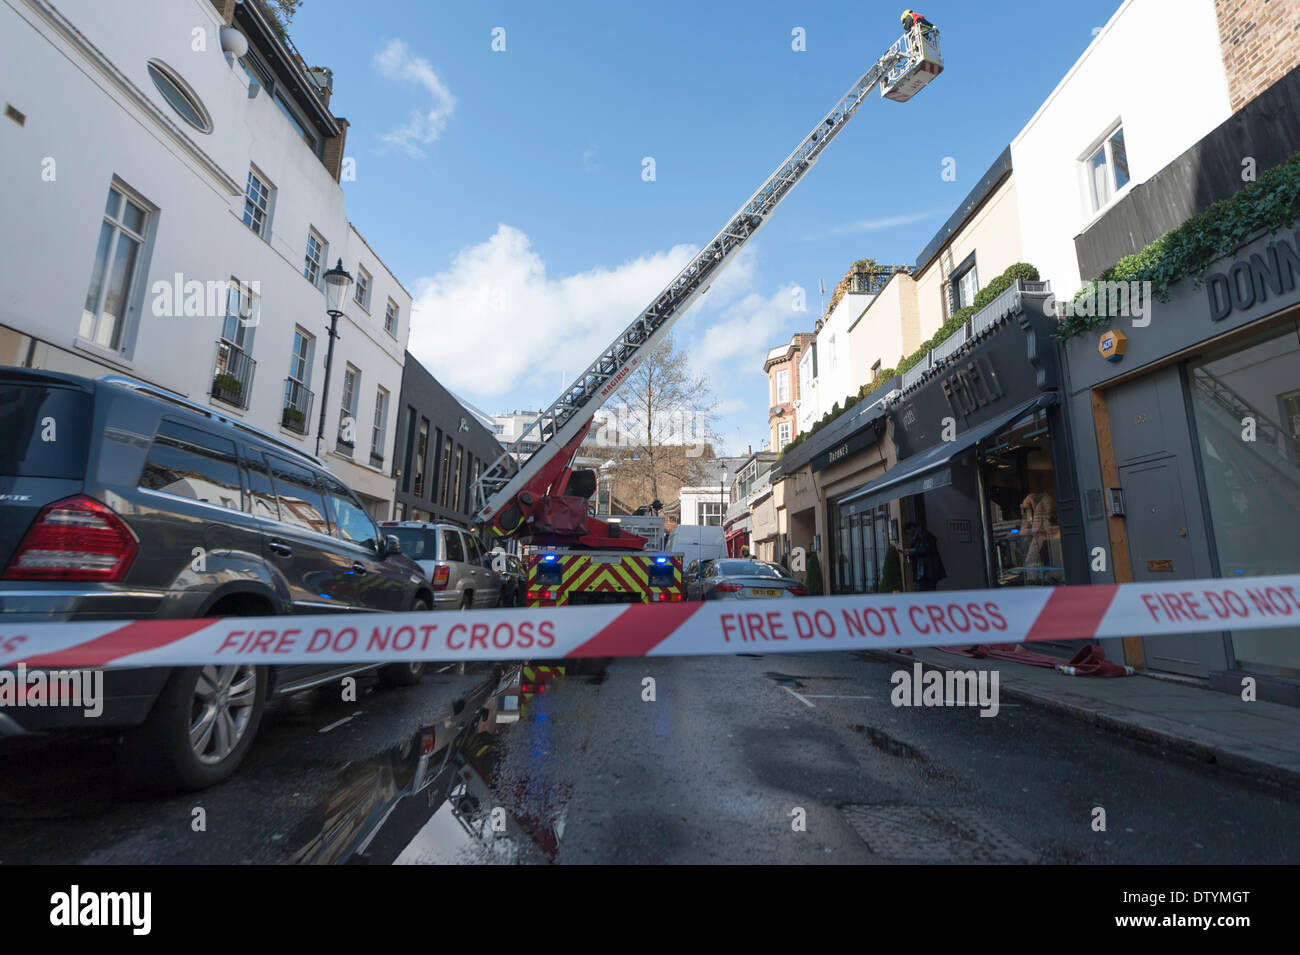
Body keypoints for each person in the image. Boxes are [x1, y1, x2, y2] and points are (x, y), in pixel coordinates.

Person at [902, 520, 946, 591]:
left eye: (908, 532)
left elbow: (925, 549)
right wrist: (909, 554)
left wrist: (910, 551)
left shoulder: (923, 535)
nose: (909, 534)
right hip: (925, 573)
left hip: (926, 572)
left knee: (925, 592)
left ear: (912, 528)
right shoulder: (918, 536)